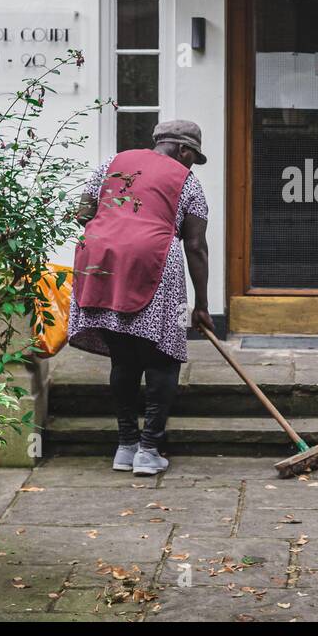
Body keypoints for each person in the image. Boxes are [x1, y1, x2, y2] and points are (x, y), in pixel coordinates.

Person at [68, 120, 213, 476]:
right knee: (163, 357)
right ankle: (148, 450)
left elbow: (83, 213)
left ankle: (125, 445)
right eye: (193, 156)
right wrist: (203, 305)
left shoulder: (111, 163)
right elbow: (195, 245)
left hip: (99, 259)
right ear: (183, 149)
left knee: (124, 357)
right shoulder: (187, 181)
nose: (192, 163)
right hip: (153, 263)